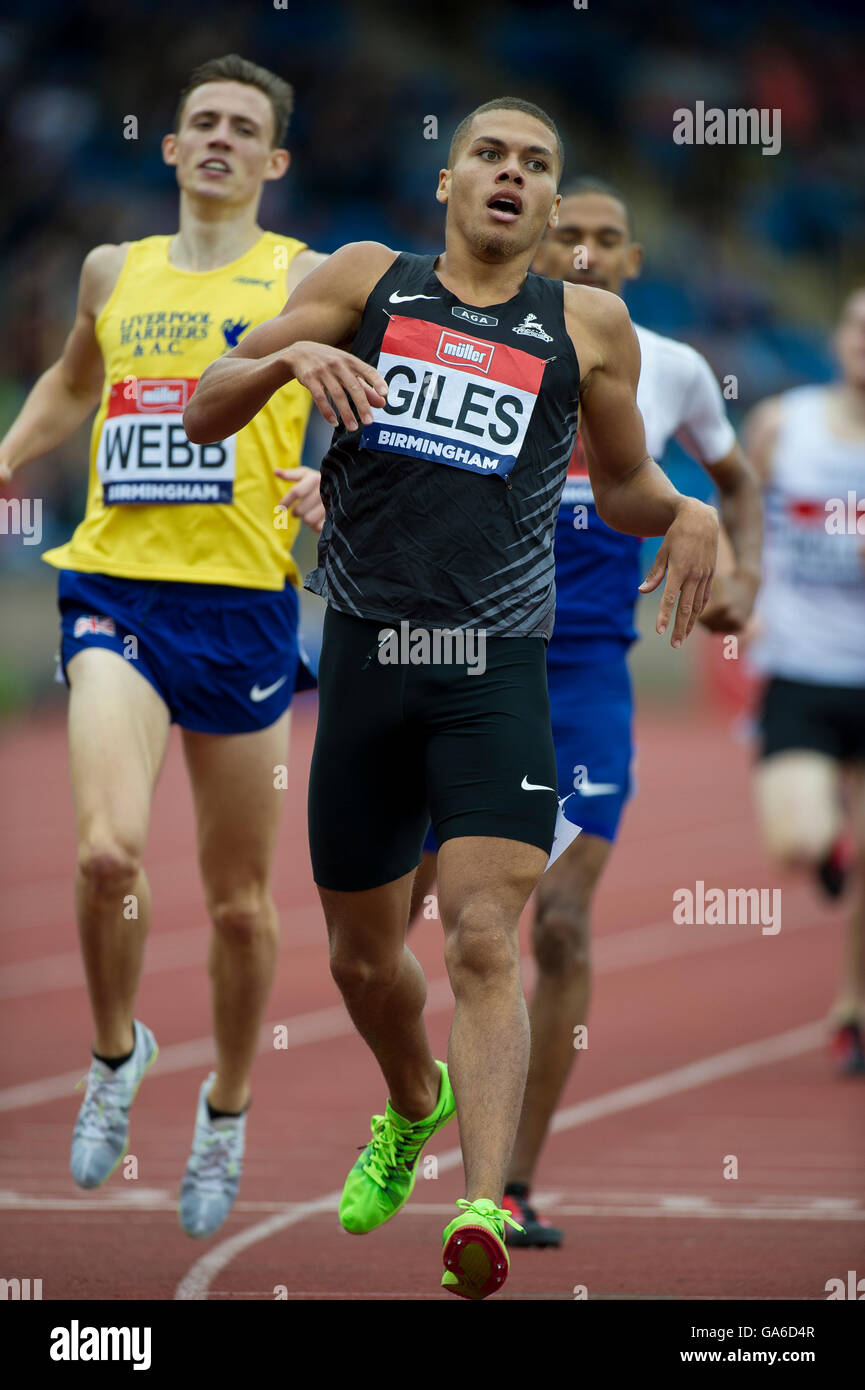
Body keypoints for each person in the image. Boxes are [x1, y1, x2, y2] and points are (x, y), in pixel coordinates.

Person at [185, 98, 719, 1299]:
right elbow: (206, 400)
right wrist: (283, 354)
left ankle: (479, 1207)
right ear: (447, 179)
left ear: (547, 200)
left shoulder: (589, 324)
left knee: (485, 938)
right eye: (491, 154)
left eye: (538, 163)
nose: (513, 175)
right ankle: (409, 1099)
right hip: (369, 664)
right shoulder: (366, 279)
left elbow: (629, 481)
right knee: (364, 966)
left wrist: (686, 511)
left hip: (499, 671)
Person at [0, 53, 327, 1239]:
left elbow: (374, 407)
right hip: (114, 591)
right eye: (205, 122)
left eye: (248, 126)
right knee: (105, 855)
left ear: (274, 159)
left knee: (240, 906)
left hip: (242, 607)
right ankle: (112, 1053)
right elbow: (70, 382)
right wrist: (7, 452)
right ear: (174, 147)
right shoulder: (112, 271)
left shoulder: (306, 276)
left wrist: (323, 480)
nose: (224, 138)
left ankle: (227, 1110)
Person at [409, 177, 763, 1248]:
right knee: (384, 926)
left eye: (609, 239)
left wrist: (737, 570)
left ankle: (508, 1182)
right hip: (460, 659)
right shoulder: (461, 340)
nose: (588, 253)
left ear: (634, 261)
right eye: (569, 234)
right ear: (531, 237)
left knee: (553, 921)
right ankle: (403, 1096)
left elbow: (734, 480)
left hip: (582, 676)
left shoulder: (676, 367)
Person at [743, 286, 865, 1076]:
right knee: (796, 837)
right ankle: (831, 850)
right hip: (797, 668)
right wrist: (737, 584)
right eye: (859, 325)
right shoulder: (780, 424)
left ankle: (852, 1007)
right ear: (837, 335)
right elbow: (734, 514)